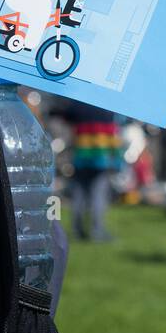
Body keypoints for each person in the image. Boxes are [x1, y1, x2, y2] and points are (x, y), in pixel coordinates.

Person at [62, 100, 123, 242]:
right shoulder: (109, 106)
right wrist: (117, 159)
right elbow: (113, 134)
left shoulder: (78, 104)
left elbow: (66, 117)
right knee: (98, 195)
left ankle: (77, 230)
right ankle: (97, 231)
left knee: (78, 194)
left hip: (81, 155)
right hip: (100, 157)